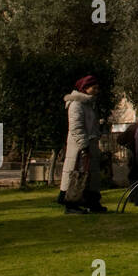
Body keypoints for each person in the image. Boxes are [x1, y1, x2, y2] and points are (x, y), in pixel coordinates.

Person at [59, 75, 106, 214]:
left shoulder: (89, 104)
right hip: (80, 148)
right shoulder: (76, 105)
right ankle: (71, 205)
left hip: (89, 145)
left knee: (91, 177)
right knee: (77, 175)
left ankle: (92, 203)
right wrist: (84, 144)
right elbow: (76, 127)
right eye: (94, 88)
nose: (97, 90)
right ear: (85, 88)